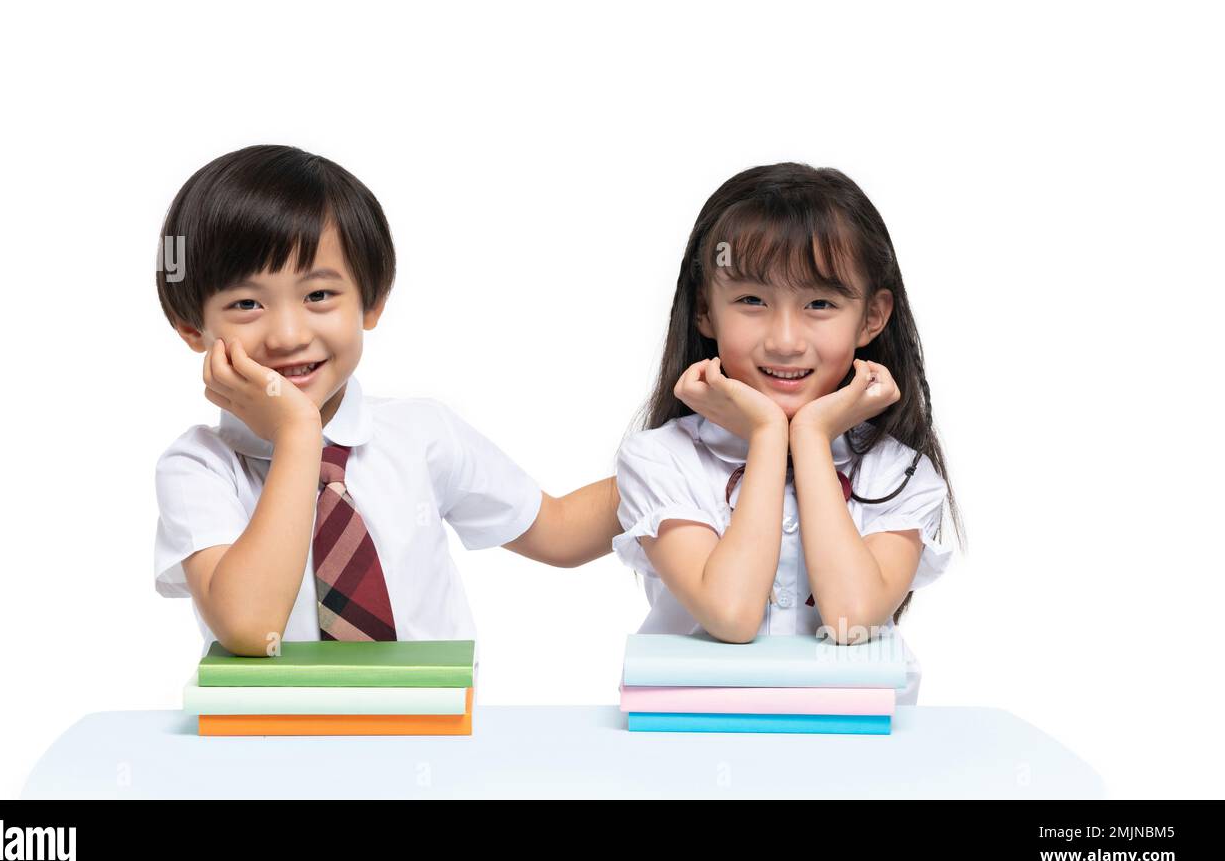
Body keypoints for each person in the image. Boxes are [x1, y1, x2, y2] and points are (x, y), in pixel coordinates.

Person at [152, 144, 622, 693]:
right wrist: (299, 434)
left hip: (433, 743)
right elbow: (250, 628)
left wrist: (700, 456)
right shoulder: (200, 469)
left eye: (319, 294)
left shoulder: (422, 434)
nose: (286, 334)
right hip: (273, 758)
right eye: (247, 305)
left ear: (370, 302)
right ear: (191, 327)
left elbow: (559, 532)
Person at [611, 162, 966, 704]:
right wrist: (768, 434)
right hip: (693, 738)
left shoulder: (899, 472)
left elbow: (852, 618)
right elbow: (730, 612)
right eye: (752, 300)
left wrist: (811, 436)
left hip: (858, 750)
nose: (784, 340)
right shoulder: (659, 459)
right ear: (706, 309)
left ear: (872, 318)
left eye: (820, 304)